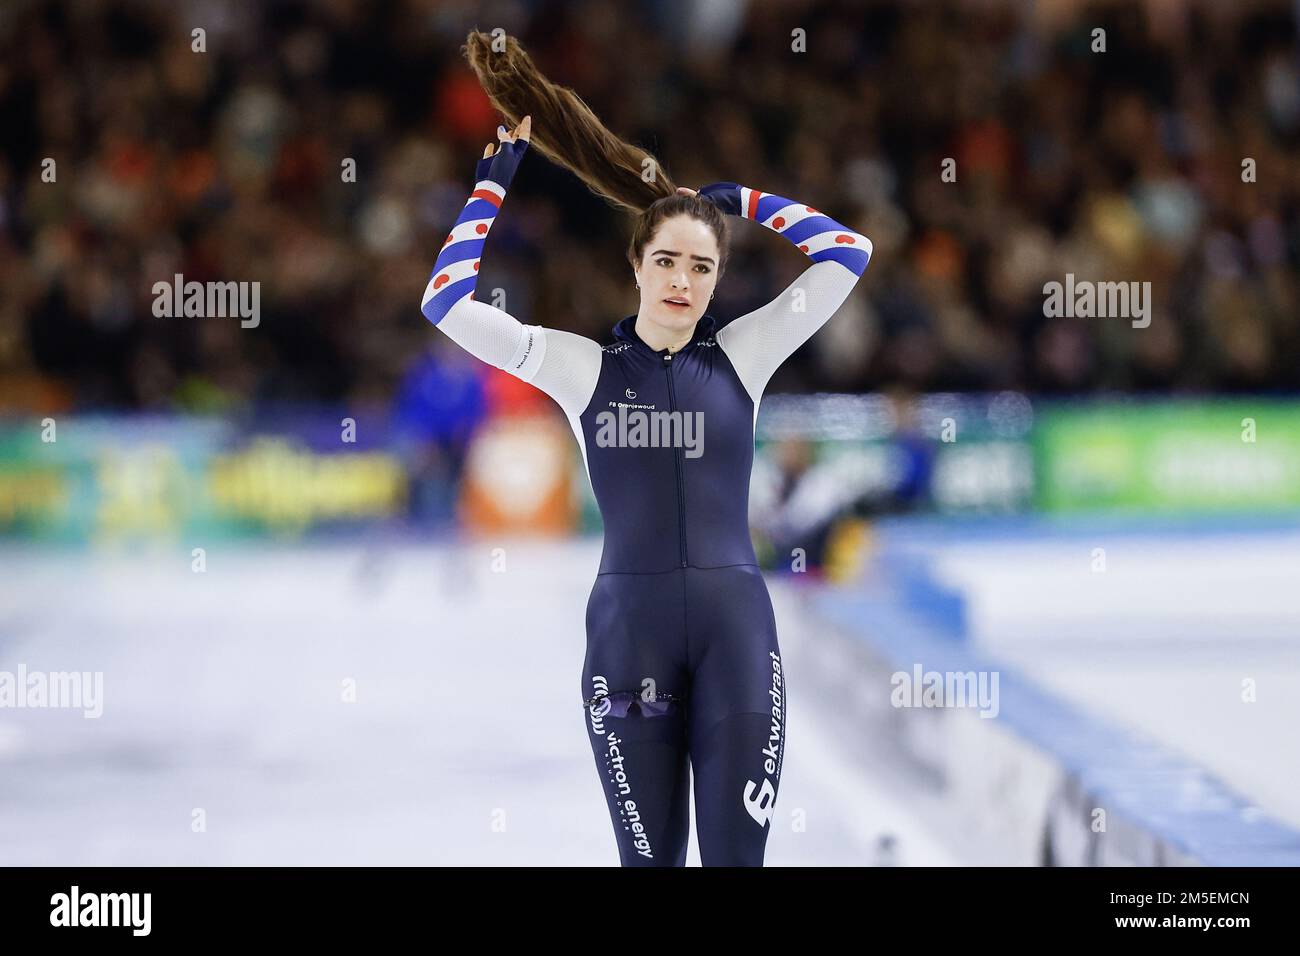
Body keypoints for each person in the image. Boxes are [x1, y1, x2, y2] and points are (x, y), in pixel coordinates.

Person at [420, 32, 872, 865]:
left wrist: (740, 200)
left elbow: (849, 252)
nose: (682, 280)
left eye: (701, 267)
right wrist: (491, 186)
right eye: (666, 259)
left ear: (716, 279)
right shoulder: (580, 367)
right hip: (630, 640)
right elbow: (445, 302)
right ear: (636, 265)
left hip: (737, 636)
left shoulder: (745, 354)